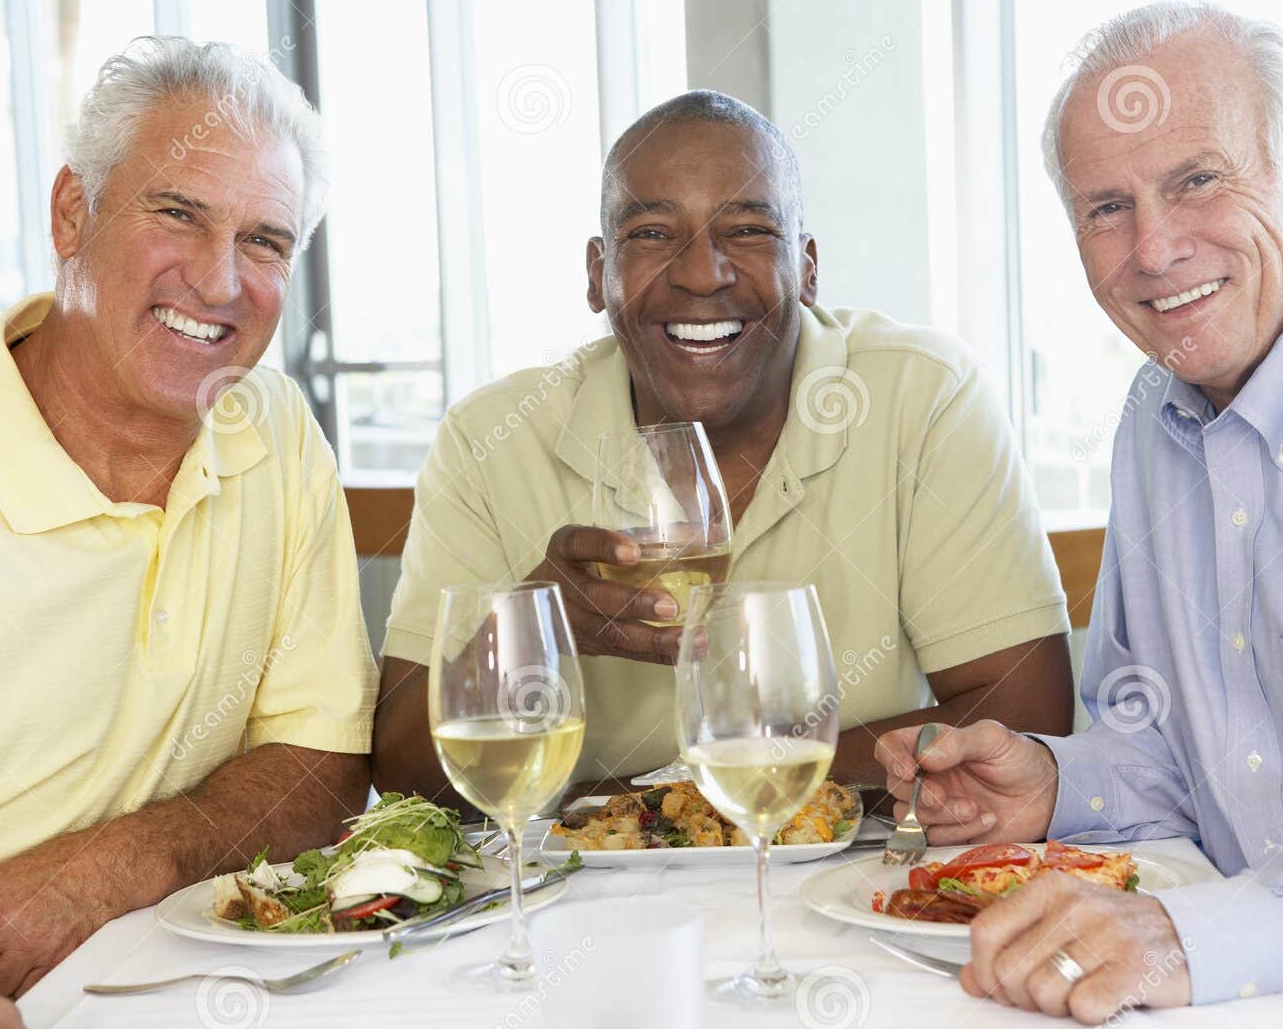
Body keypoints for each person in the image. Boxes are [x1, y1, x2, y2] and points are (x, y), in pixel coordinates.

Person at [879, 2, 1283, 1029]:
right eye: (1105, 207)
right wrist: (1054, 779)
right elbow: (1182, 746)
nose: (1153, 249)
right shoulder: (1153, 418)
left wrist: (1188, 934)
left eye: (1195, 180)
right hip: (1261, 1010)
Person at [0, 38, 376, 1029]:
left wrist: (123, 858)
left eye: (265, 241)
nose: (217, 279)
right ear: (73, 212)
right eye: (178, 213)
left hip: (220, 998)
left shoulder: (273, 429)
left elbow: (323, 758)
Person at [373, 91, 1074, 803]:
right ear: (597, 274)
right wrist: (530, 628)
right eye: (650, 233)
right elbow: (400, 767)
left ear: (806, 268)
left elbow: (1028, 719)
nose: (702, 273)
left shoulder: (923, 397)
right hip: (591, 906)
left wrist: (679, 795)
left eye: (746, 230)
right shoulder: (491, 437)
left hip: (854, 886)